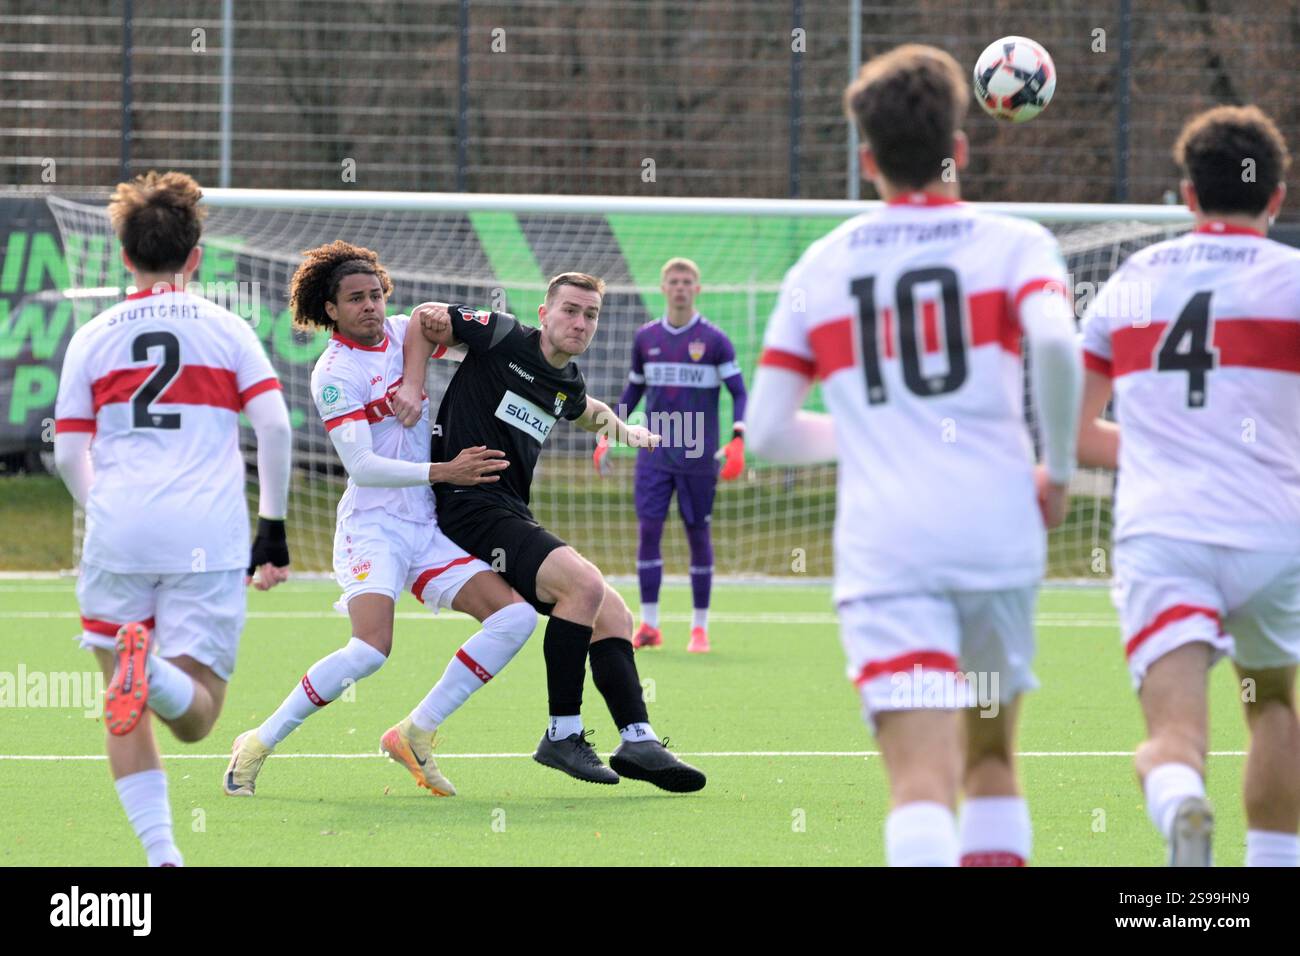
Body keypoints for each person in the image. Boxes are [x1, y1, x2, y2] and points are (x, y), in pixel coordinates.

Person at [747, 45, 1081, 866]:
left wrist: (869, 434)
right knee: (994, 756)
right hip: (998, 537)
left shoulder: (821, 265)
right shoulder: (1016, 243)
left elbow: (765, 436)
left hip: (890, 551)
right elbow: (1058, 350)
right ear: (959, 149)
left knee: (920, 786)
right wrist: (1061, 468)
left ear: (867, 161)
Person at [222, 241, 538, 798]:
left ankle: (414, 732)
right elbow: (363, 467)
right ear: (331, 310)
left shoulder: (399, 330)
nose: (370, 306)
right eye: (355, 299)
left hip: (425, 523)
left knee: (515, 620)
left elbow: (430, 321)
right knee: (370, 649)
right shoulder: (334, 373)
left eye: (374, 294)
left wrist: (423, 378)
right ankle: (257, 743)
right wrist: (447, 470)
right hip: (373, 525)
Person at [1078, 105, 1300, 866]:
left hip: (1165, 533)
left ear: (1186, 196)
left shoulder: (1131, 283)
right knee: (1270, 701)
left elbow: (1080, 435)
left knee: (1171, 742)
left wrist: (1168, 453)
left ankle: (1180, 803)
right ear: (1276, 196)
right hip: (1274, 534)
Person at [53, 170, 293, 866]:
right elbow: (274, 427)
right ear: (195, 257)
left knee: (117, 698)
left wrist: (106, 512)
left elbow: (70, 453)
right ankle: (149, 671)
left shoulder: (93, 336)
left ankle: (163, 857)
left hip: (117, 531)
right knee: (198, 715)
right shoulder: (227, 327)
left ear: (124, 257)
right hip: (205, 537)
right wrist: (270, 528)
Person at [392, 276, 706, 792]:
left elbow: (588, 412)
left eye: (591, 314)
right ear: (544, 312)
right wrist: (411, 385)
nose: (580, 322)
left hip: (509, 510)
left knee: (614, 614)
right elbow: (426, 317)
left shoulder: (566, 382)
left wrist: (627, 432)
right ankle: (563, 733)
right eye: (570, 310)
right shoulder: (502, 335)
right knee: (581, 586)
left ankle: (638, 738)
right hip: (468, 505)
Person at [596, 257, 747, 654]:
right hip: (653, 454)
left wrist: (737, 438)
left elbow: (740, 392)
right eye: (674, 281)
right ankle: (650, 625)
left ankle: (699, 628)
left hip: (698, 457)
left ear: (697, 289)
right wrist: (609, 432)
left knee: (698, 534)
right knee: (648, 532)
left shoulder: (715, 341)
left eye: (687, 282)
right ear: (663, 288)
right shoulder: (646, 339)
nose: (680, 287)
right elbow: (632, 393)